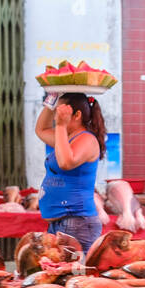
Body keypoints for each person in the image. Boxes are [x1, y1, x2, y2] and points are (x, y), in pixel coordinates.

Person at [35, 91, 105, 253]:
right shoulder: (67, 138)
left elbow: (66, 162)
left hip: (77, 222)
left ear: (77, 115)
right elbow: (41, 129)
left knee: (75, 275)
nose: (55, 117)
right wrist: (52, 96)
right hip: (60, 222)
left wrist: (60, 125)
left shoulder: (87, 139)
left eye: (60, 112)